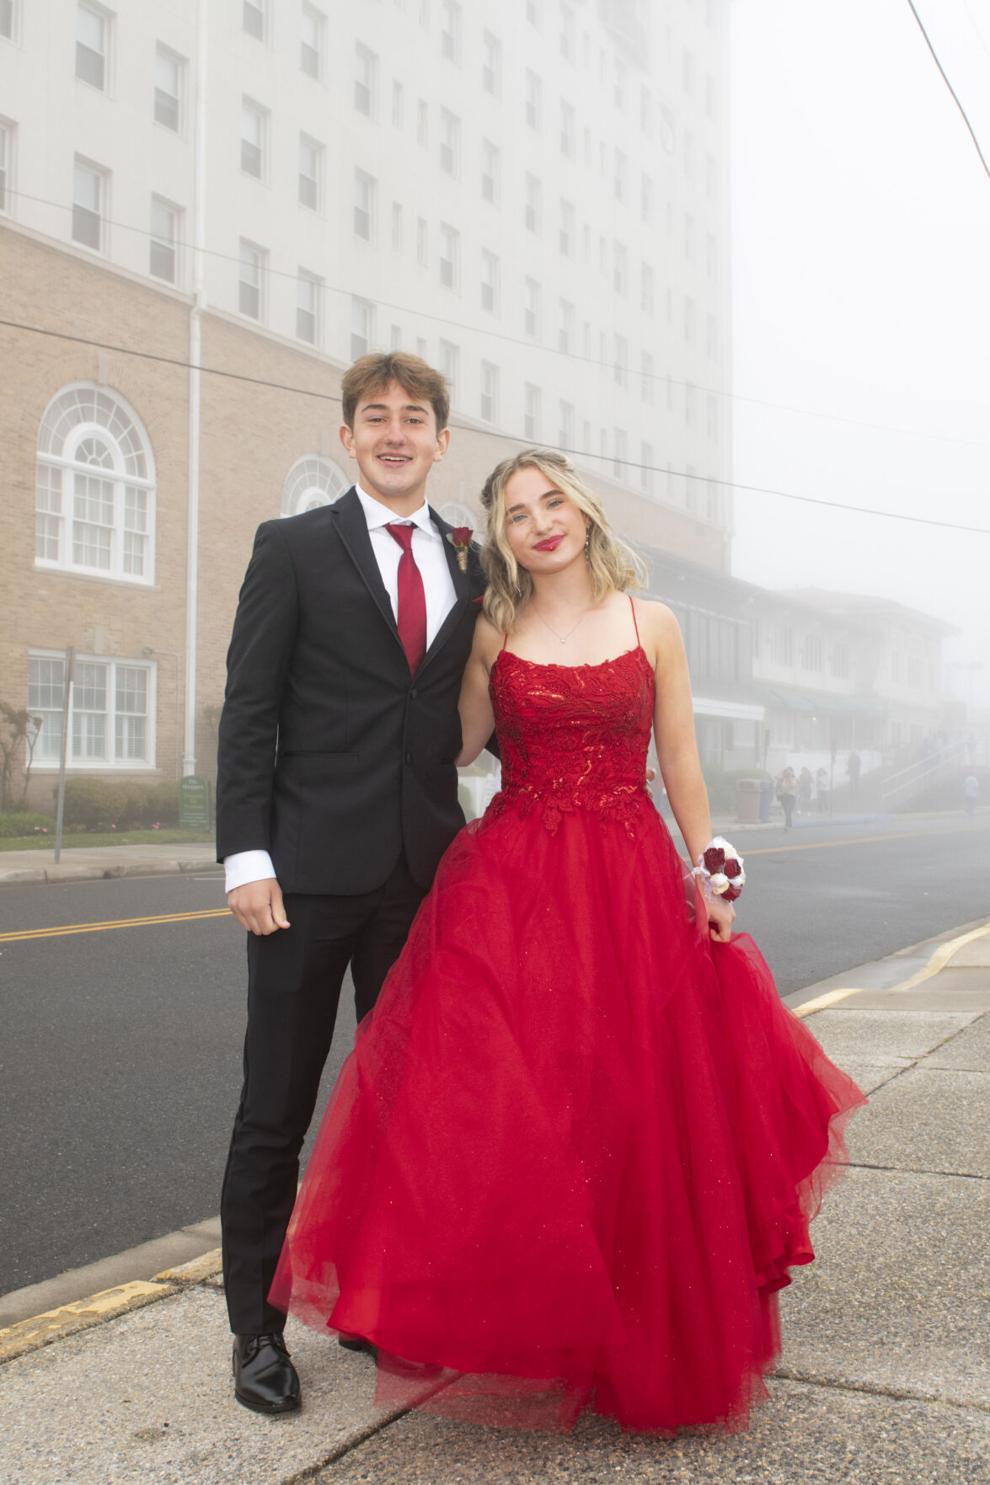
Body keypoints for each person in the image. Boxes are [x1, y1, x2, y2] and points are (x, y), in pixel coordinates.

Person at [269, 449, 866, 1434]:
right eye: (517, 513)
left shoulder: (652, 622)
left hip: (629, 880)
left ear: (583, 512)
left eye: (553, 502)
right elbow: (456, 743)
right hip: (514, 883)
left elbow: (680, 759)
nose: (541, 522)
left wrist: (709, 870)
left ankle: (633, 1340)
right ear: (502, 539)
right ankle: (537, 1323)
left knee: (636, 1102)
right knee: (527, 1103)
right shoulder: (492, 629)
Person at [215, 353, 487, 1415]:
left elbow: (493, 696)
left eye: (414, 418)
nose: (394, 432)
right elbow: (250, 710)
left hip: (421, 879)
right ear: (348, 436)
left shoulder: (471, 561)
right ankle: (256, 1332)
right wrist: (246, 854)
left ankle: (374, 1303)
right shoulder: (292, 548)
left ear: (441, 441)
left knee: (400, 1109)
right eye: (375, 417)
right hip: (302, 878)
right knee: (274, 1108)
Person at [776, 765, 798, 829]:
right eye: (786, 773)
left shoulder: (794, 779)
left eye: (788, 773)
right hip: (784, 797)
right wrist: (782, 771)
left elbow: (793, 786)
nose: (787, 774)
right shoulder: (782, 780)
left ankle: (787, 825)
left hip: (791, 797)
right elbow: (776, 777)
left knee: (788, 810)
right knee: (786, 811)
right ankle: (789, 824)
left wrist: (790, 778)